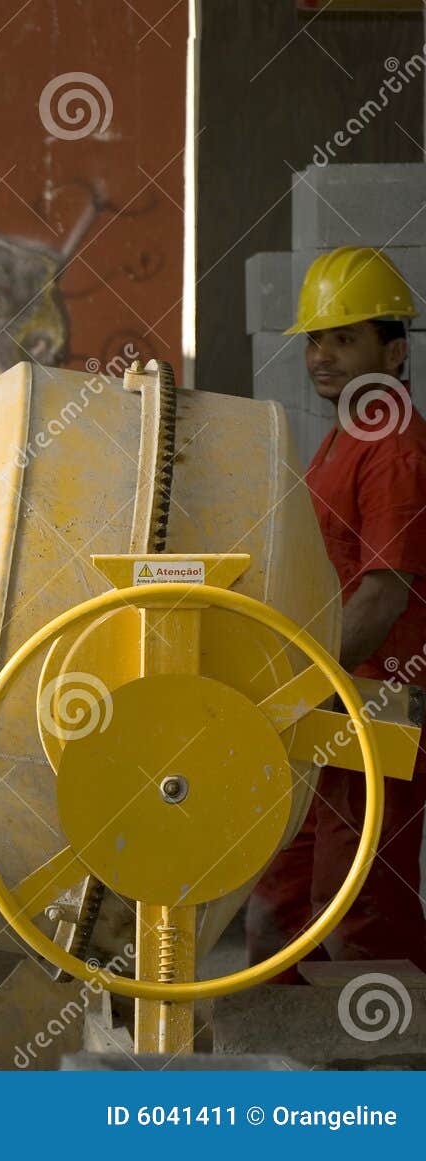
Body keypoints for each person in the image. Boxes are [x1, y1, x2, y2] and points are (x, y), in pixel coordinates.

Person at [247, 245, 426, 980]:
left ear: (394, 349)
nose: (321, 356)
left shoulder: (392, 445)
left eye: (344, 339)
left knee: (360, 910)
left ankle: (396, 1050)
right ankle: (285, 1048)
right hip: (333, 701)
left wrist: (300, 687)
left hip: (375, 703)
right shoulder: (349, 435)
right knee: (284, 906)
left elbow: (383, 592)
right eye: (315, 340)